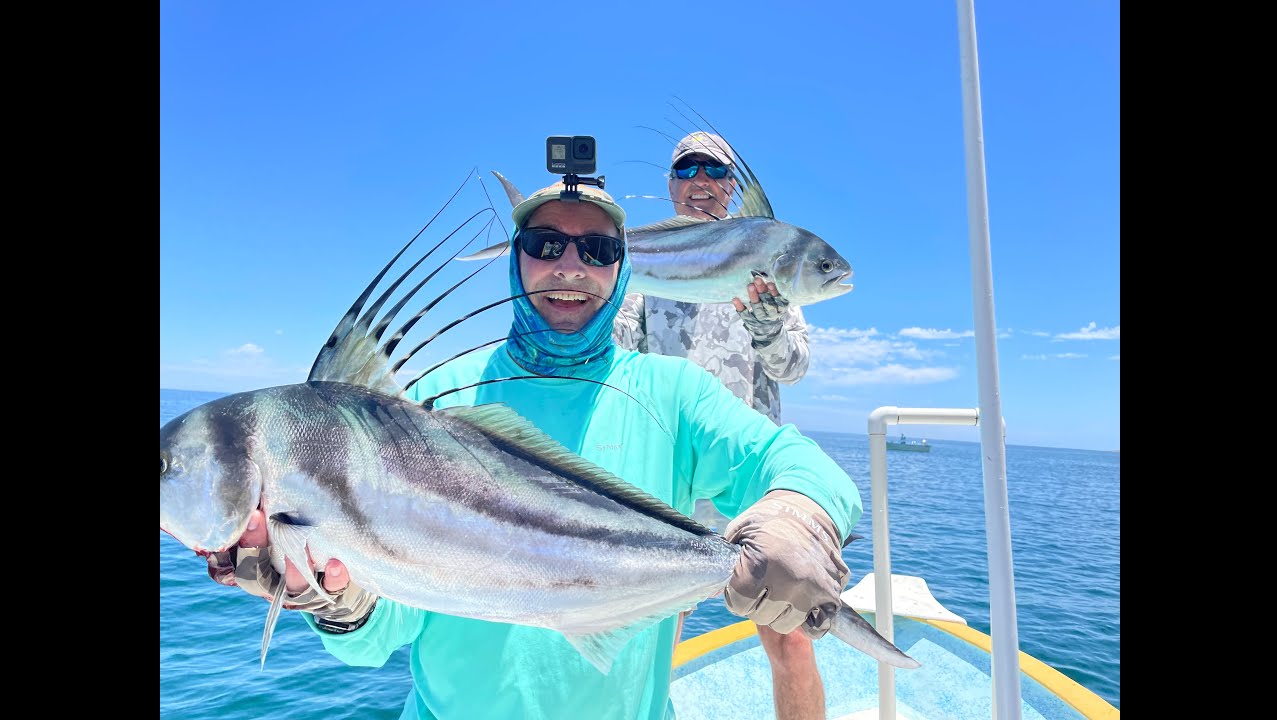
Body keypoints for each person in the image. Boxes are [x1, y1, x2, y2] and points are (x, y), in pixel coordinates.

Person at [209, 179, 862, 720]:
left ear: (624, 267)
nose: (570, 267)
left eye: (598, 248)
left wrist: (797, 514)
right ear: (516, 257)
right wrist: (339, 604)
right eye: (545, 243)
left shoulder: (674, 394)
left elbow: (811, 470)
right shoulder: (426, 405)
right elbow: (379, 637)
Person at [613, 132, 824, 720]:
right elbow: (617, 348)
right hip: (668, 477)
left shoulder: (768, 252)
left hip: (748, 478)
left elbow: (796, 366)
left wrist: (768, 328)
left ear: (732, 184)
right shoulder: (642, 252)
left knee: (790, 634)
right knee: (657, 637)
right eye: (686, 169)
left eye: (714, 169)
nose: (700, 179)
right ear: (671, 183)